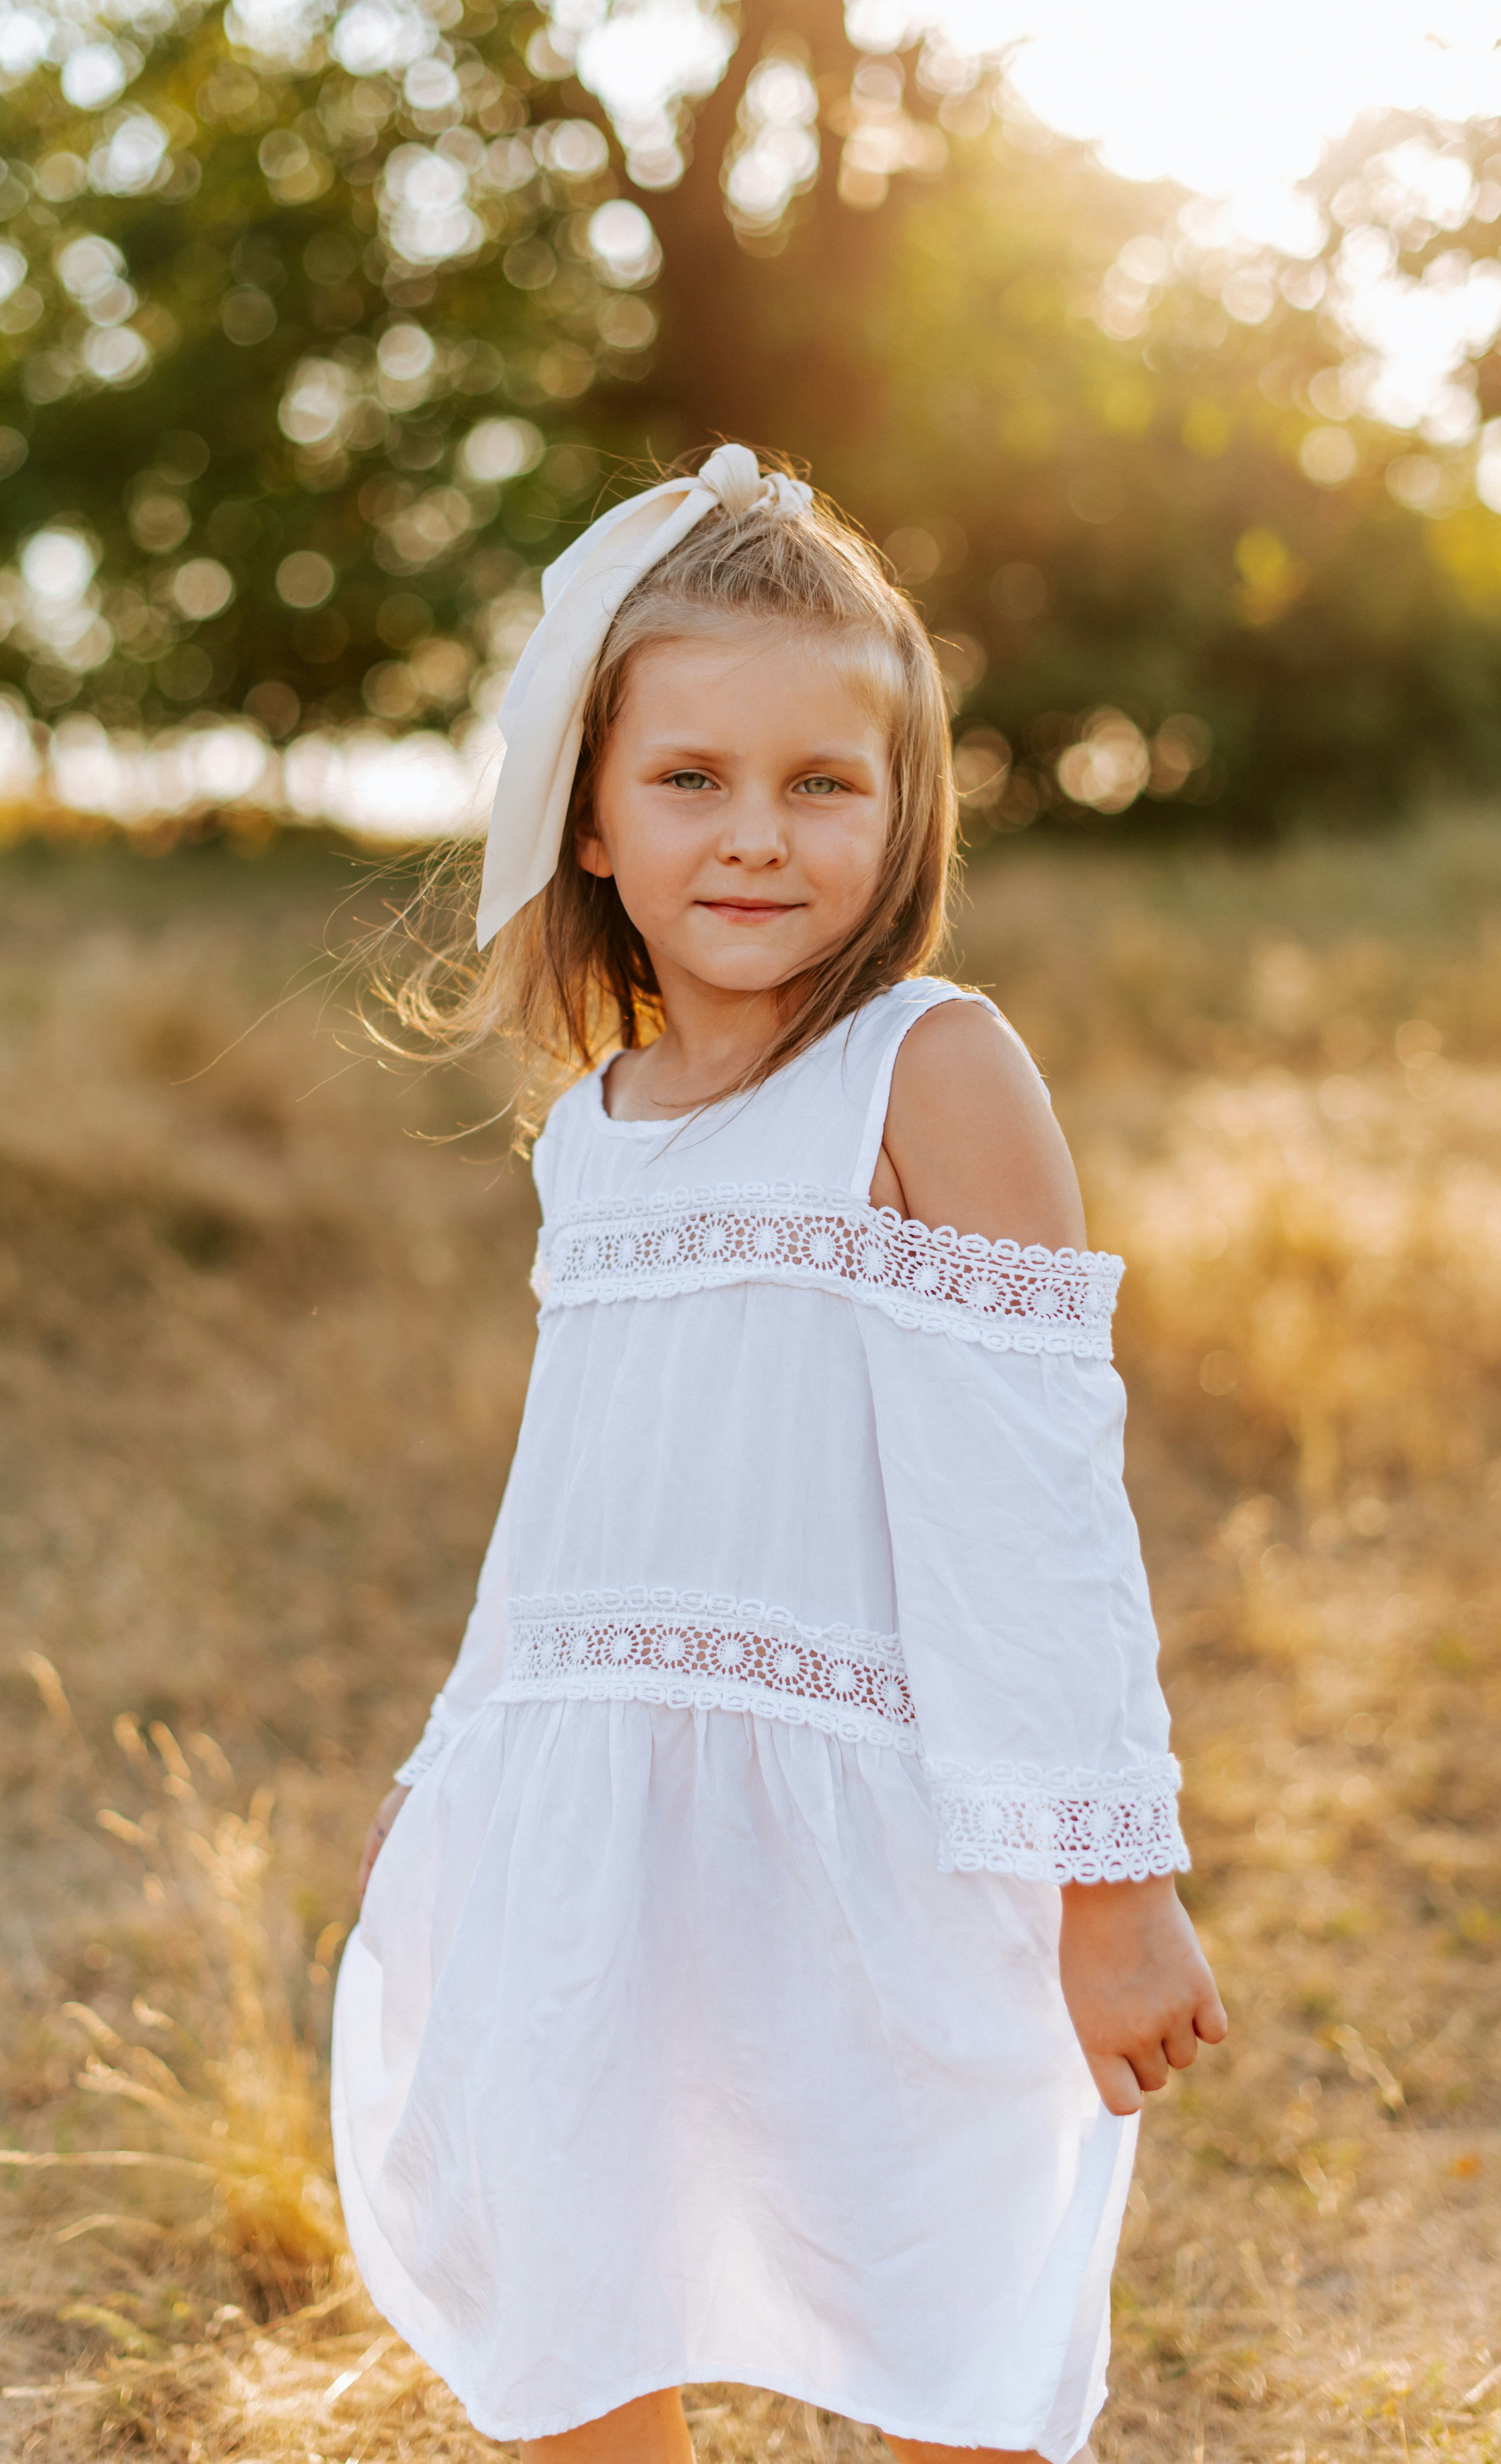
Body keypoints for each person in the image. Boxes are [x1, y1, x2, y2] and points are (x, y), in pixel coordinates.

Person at [332, 443, 1227, 2464]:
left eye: (826, 782)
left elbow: (1037, 1504)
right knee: (566, 2269)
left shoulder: (931, 1069)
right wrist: (449, 1762)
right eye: (692, 780)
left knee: (941, 2301)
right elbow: (569, 1507)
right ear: (590, 809)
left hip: (885, 1818)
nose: (759, 837)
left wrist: (1115, 1877)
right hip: (593, 1815)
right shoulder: (594, 1123)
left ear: (906, 805)